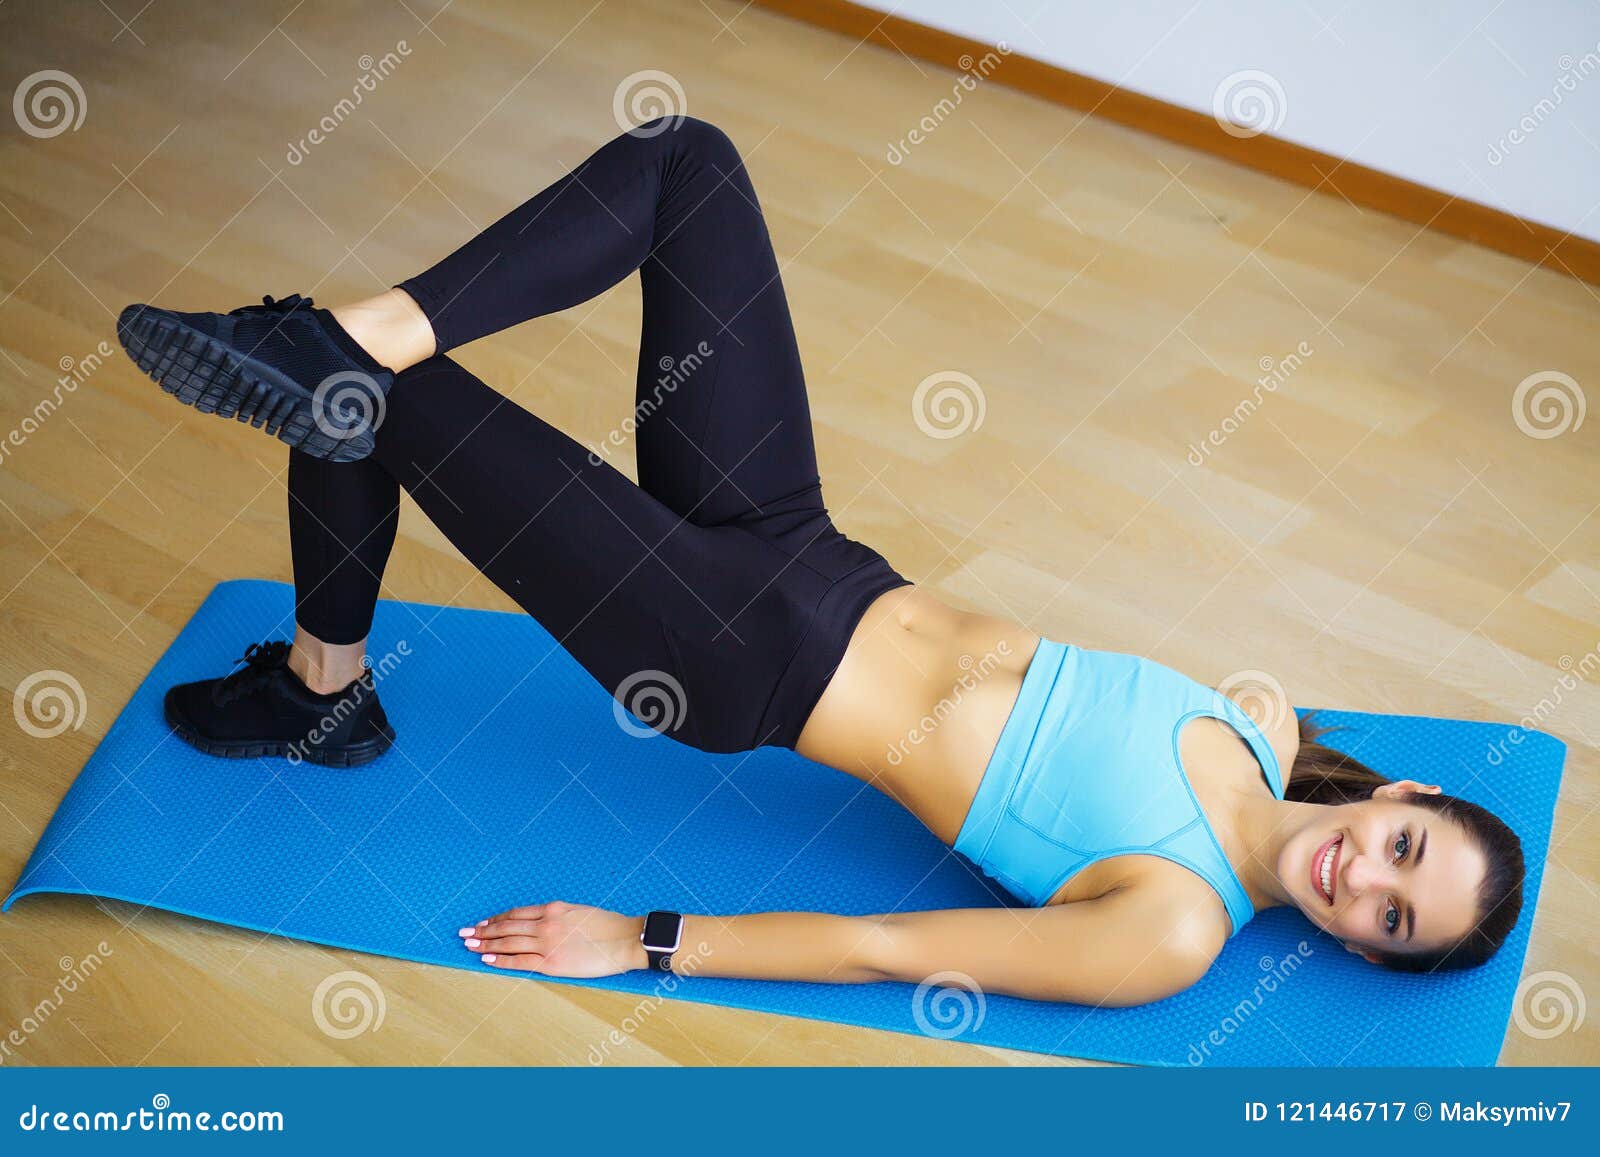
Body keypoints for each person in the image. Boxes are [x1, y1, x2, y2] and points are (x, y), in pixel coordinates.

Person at [115, 117, 1523, 1005]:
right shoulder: (1257, 743)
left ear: (1360, 952)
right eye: (1403, 846)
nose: (1365, 876)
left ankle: (321, 652)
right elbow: (1275, 749)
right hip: (799, 543)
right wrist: (1272, 755)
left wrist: (647, 935)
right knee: (689, 167)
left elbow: (891, 952)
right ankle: (326, 646)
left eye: (1392, 918)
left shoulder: (1173, 931)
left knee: (366, 392)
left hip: (738, 652)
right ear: (1401, 794)